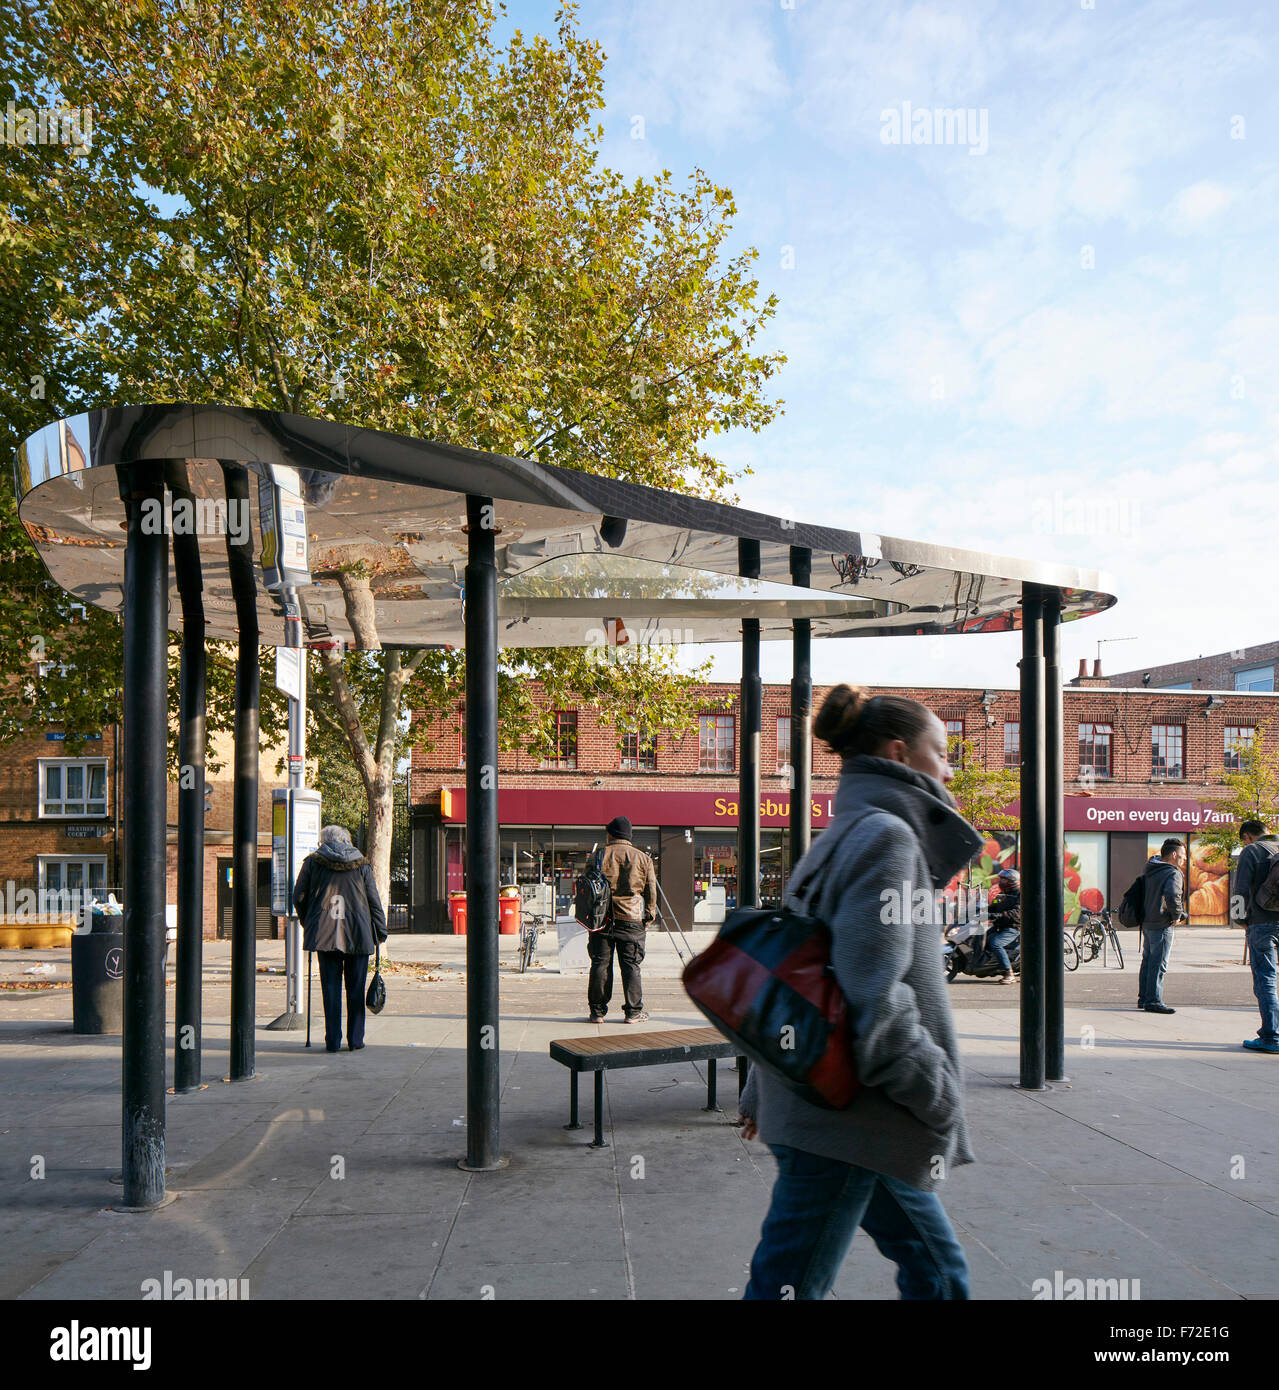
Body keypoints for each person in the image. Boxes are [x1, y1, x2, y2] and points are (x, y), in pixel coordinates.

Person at [738, 685, 983, 1300]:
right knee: (924, 1275)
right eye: (943, 752)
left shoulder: (840, 833)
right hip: (853, 1116)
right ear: (902, 754)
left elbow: (794, 966)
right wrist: (940, 1093)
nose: (949, 769)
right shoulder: (888, 838)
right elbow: (872, 998)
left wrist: (757, 1089)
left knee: (933, 1272)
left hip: (827, 1108)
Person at [293, 824, 387, 1052]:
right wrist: (380, 931)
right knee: (355, 989)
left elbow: (299, 897)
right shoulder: (361, 864)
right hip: (358, 933)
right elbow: (374, 900)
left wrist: (310, 922)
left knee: (330, 989)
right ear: (347, 840)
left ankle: (332, 1041)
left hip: (324, 935)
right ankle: (355, 1040)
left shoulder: (313, 863)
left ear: (323, 841)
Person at [587, 815, 657, 1024]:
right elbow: (650, 890)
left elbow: (585, 889)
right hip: (631, 918)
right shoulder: (643, 858)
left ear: (610, 834)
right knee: (631, 965)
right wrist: (649, 916)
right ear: (629, 836)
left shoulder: (597, 856)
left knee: (600, 964)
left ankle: (597, 1012)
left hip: (601, 919)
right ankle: (633, 1012)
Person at [1232, 819, 1279, 1054]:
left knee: (1266, 978)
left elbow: (1240, 890)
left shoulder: (1251, 851)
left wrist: (1240, 920)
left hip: (1262, 923)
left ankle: (1271, 1036)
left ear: (1248, 837)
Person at [1137, 837, 1186, 1015]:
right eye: (1182, 856)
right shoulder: (1172, 872)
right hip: (1162, 923)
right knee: (1159, 964)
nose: (1184, 859)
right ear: (1173, 854)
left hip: (1148, 922)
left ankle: (1144, 998)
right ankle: (1154, 1000)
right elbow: (1173, 894)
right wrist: (1177, 915)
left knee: (1148, 961)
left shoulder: (1150, 867)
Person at [984, 868, 1020, 984]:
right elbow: (993, 906)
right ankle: (990, 966)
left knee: (995, 943)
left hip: (1013, 927)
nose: (1001, 881)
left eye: (1004, 879)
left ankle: (1009, 973)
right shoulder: (1001, 894)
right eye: (1001, 879)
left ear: (1012, 881)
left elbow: (1016, 913)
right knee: (982, 940)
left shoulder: (1019, 895)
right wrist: (979, 910)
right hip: (1000, 925)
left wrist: (998, 915)